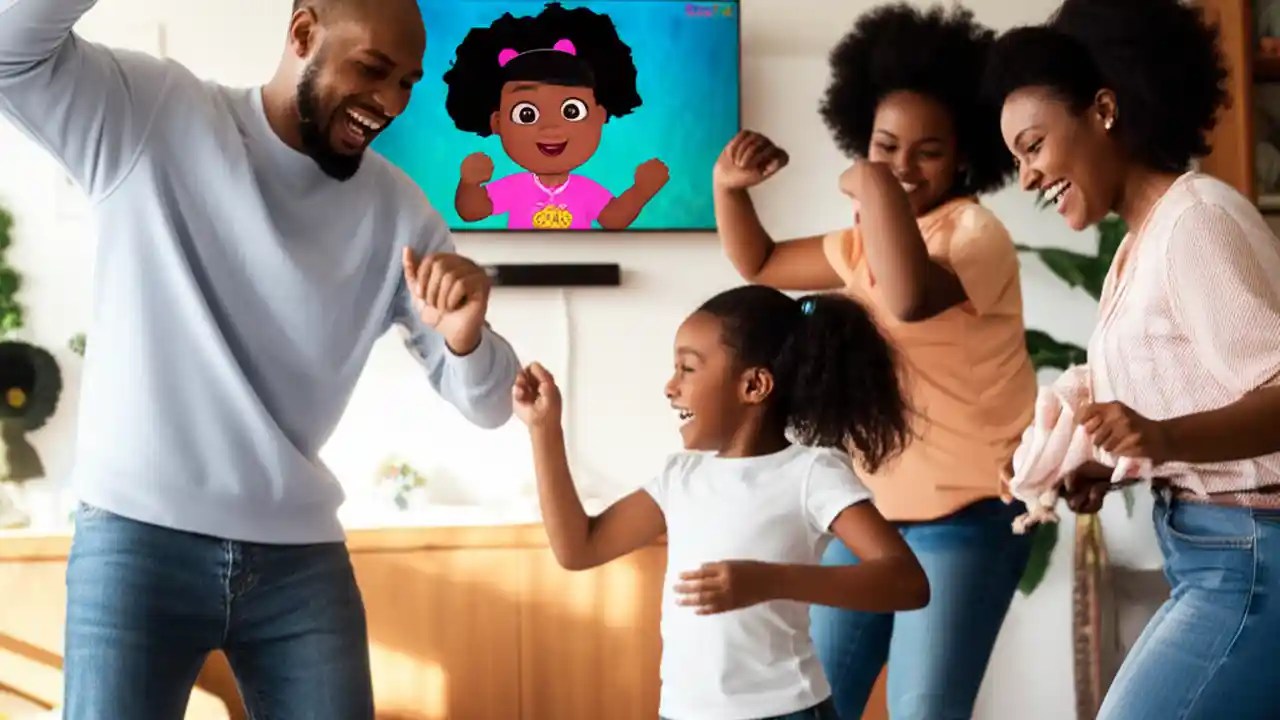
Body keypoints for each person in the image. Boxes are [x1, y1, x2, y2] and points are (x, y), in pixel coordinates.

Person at [0, 0, 520, 717]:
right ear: (303, 34)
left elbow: (491, 405)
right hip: (135, 541)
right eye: (373, 69)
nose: (391, 102)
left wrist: (465, 335)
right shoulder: (154, 116)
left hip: (298, 561)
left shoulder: (400, 213)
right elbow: (9, 50)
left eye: (407, 81)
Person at [711, 4, 1034, 717]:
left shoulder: (974, 233)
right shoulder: (860, 243)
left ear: (965, 156)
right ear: (861, 138)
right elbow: (760, 262)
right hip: (871, 518)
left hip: (970, 517)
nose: (904, 166)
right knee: (811, 702)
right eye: (886, 147)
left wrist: (873, 184)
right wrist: (728, 189)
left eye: (929, 151)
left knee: (923, 712)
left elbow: (912, 293)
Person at [985, 0, 1280, 717]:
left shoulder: (1195, 221)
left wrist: (1165, 439)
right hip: (1214, 556)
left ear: (1105, 109)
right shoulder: (1143, 240)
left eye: (1032, 146)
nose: (1025, 177)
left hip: (1250, 563)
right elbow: (1191, 394)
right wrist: (1105, 467)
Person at [513, 285, 930, 720]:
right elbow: (579, 548)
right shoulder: (681, 478)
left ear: (753, 385)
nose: (670, 387)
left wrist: (770, 581)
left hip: (786, 711)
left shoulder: (810, 474)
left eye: (687, 369)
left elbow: (907, 582)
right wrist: (544, 430)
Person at [444, 3, 669, 230]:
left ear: (600, 114)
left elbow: (613, 219)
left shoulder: (587, 190)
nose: (550, 128)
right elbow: (472, 211)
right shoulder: (515, 188)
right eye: (526, 114)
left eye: (571, 111)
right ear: (497, 122)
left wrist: (641, 190)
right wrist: (469, 184)